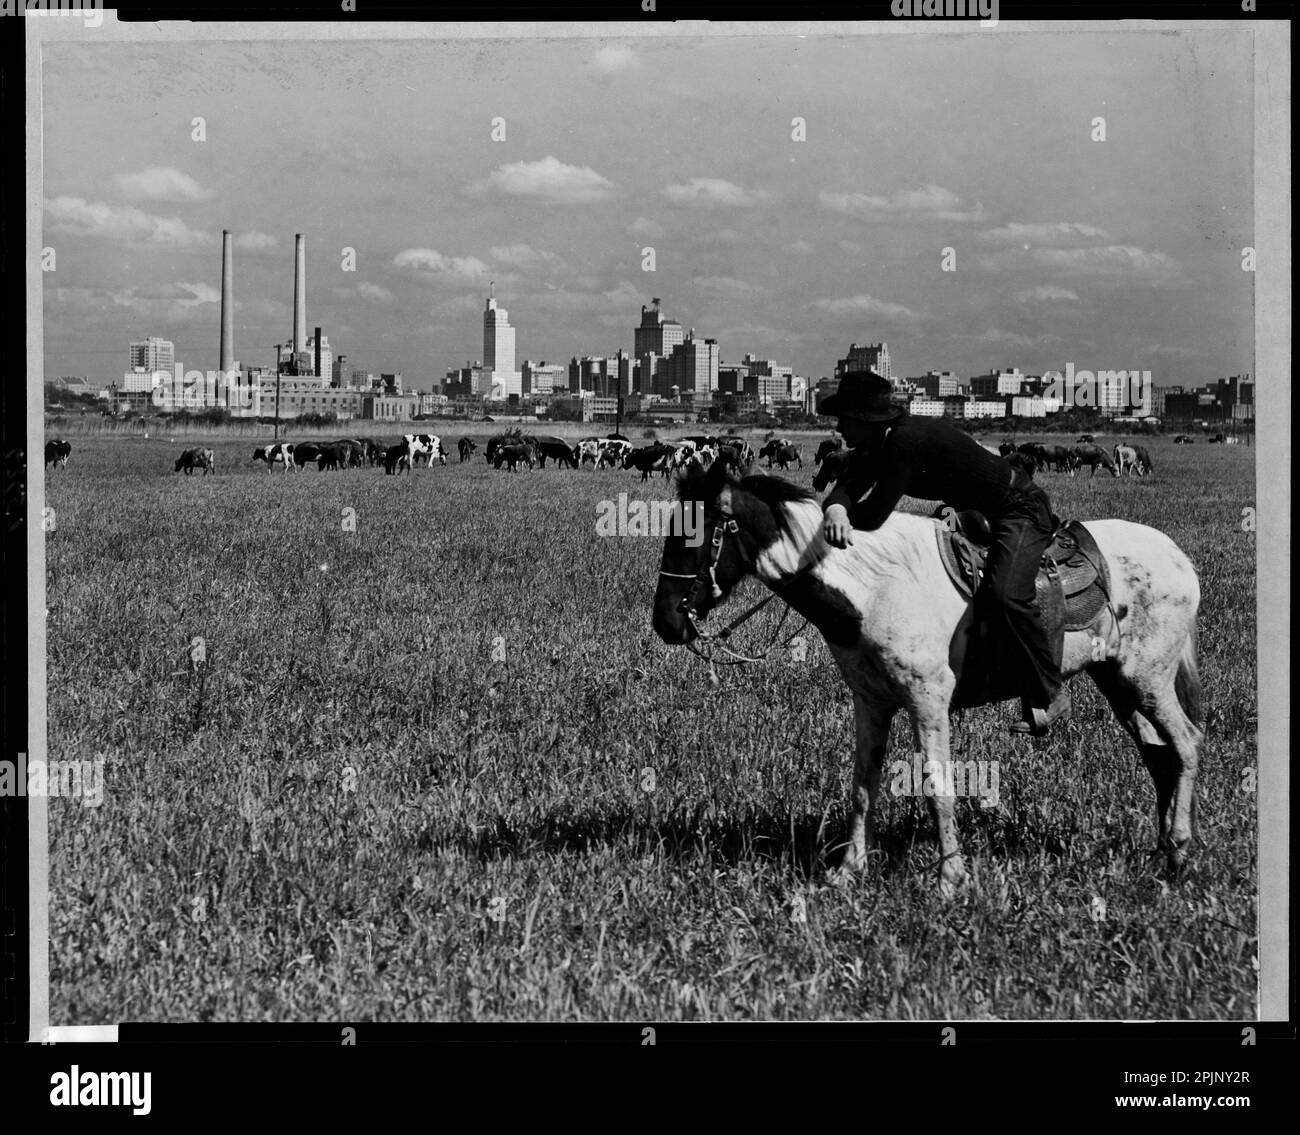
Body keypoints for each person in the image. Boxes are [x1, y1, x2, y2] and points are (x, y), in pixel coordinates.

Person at [818, 371, 1070, 737]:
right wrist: (836, 510)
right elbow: (849, 485)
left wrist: (843, 513)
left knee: (1006, 595)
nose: (838, 427)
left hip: (1019, 510)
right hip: (976, 512)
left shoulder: (906, 441)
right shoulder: (877, 443)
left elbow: (874, 513)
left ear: (863, 419)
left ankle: (1051, 692)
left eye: (843, 418)